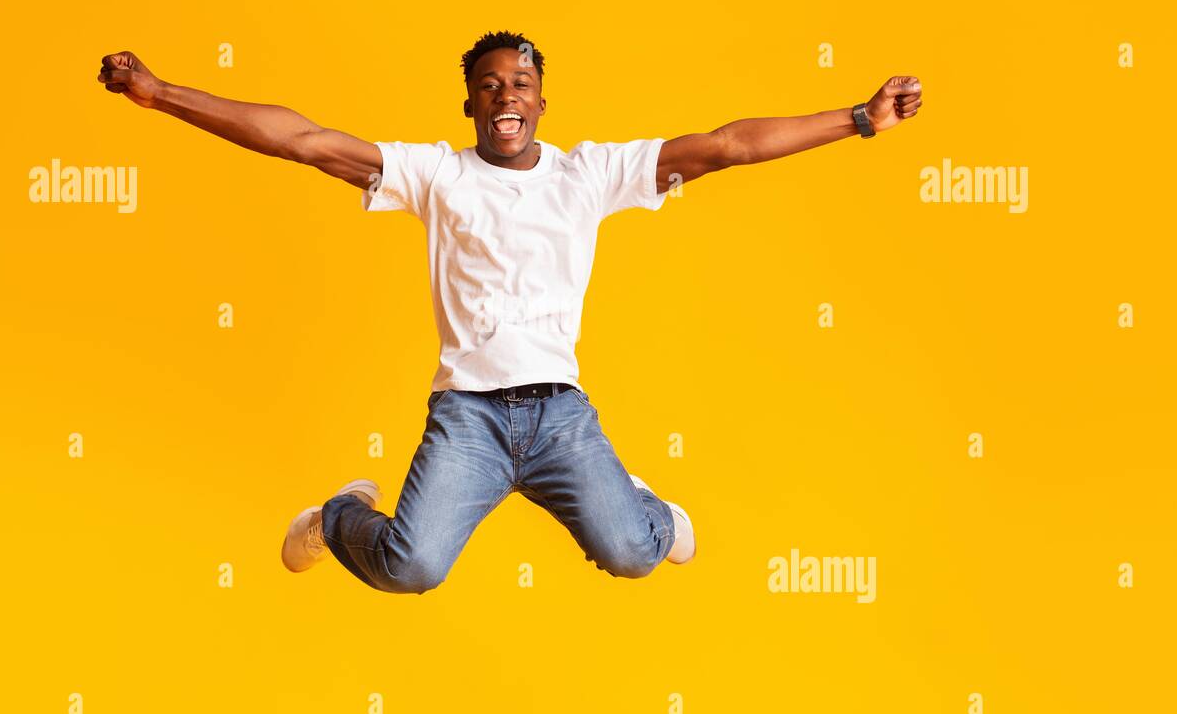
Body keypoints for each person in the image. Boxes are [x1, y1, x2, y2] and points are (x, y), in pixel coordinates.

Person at [97, 30, 922, 594]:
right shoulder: (434, 174)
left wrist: (858, 119)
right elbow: (301, 140)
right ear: (469, 104)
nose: (506, 96)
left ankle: (641, 507)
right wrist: (161, 93)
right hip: (469, 422)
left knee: (637, 555)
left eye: (521, 83)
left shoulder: (590, 173)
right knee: (410, 568)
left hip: (559, 417)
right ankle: (338, 514)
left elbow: (727, 145)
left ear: (542, 102)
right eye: (488, 85)